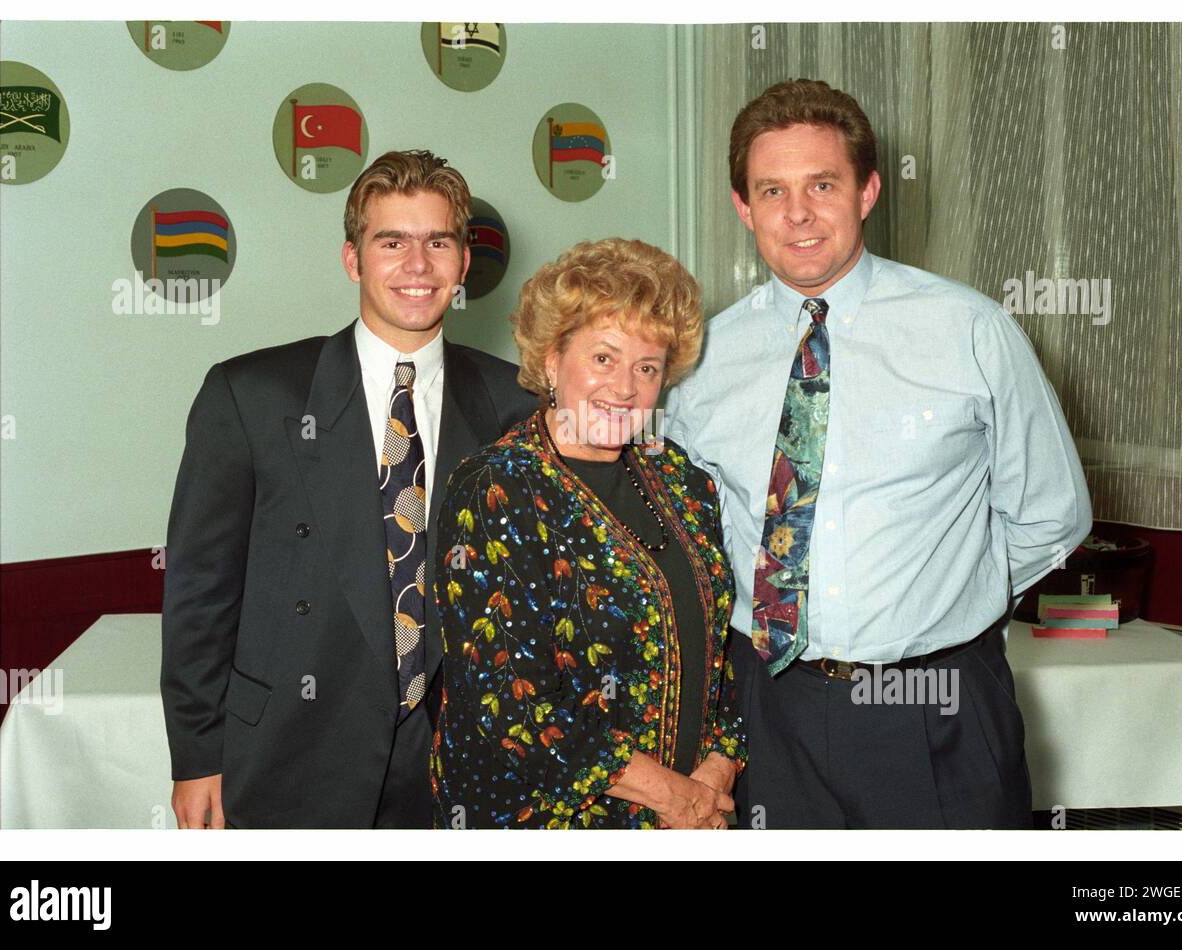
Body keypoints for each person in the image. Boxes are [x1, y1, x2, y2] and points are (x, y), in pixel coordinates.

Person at [661, 79, 1092, 829]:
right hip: (770, 712)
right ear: (743, 207)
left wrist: (946, 605)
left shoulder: (969, 330)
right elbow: (694, 541)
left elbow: (1051, 516)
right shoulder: (700, 361)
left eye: (822, 185)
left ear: (867, 191)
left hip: (936, 707)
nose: (797, 214)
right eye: (772, 190)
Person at [160, 149, 535, 828]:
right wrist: (196, 756)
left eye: (437, 241)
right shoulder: (251, 396)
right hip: (289, 754)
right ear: (352, 259)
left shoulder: (515, 403)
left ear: (463, 262)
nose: (417, 265)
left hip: (456, 766)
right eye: (391, 241)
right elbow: (198, 593)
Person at [430, 237, 745, 829]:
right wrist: (672, 797)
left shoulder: (680, 478)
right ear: (551, 359)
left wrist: (715, 774)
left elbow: (720, 656)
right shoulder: (496, 489)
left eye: (646, 367)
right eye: (604, 357)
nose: (625, 387)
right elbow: (511, 704)